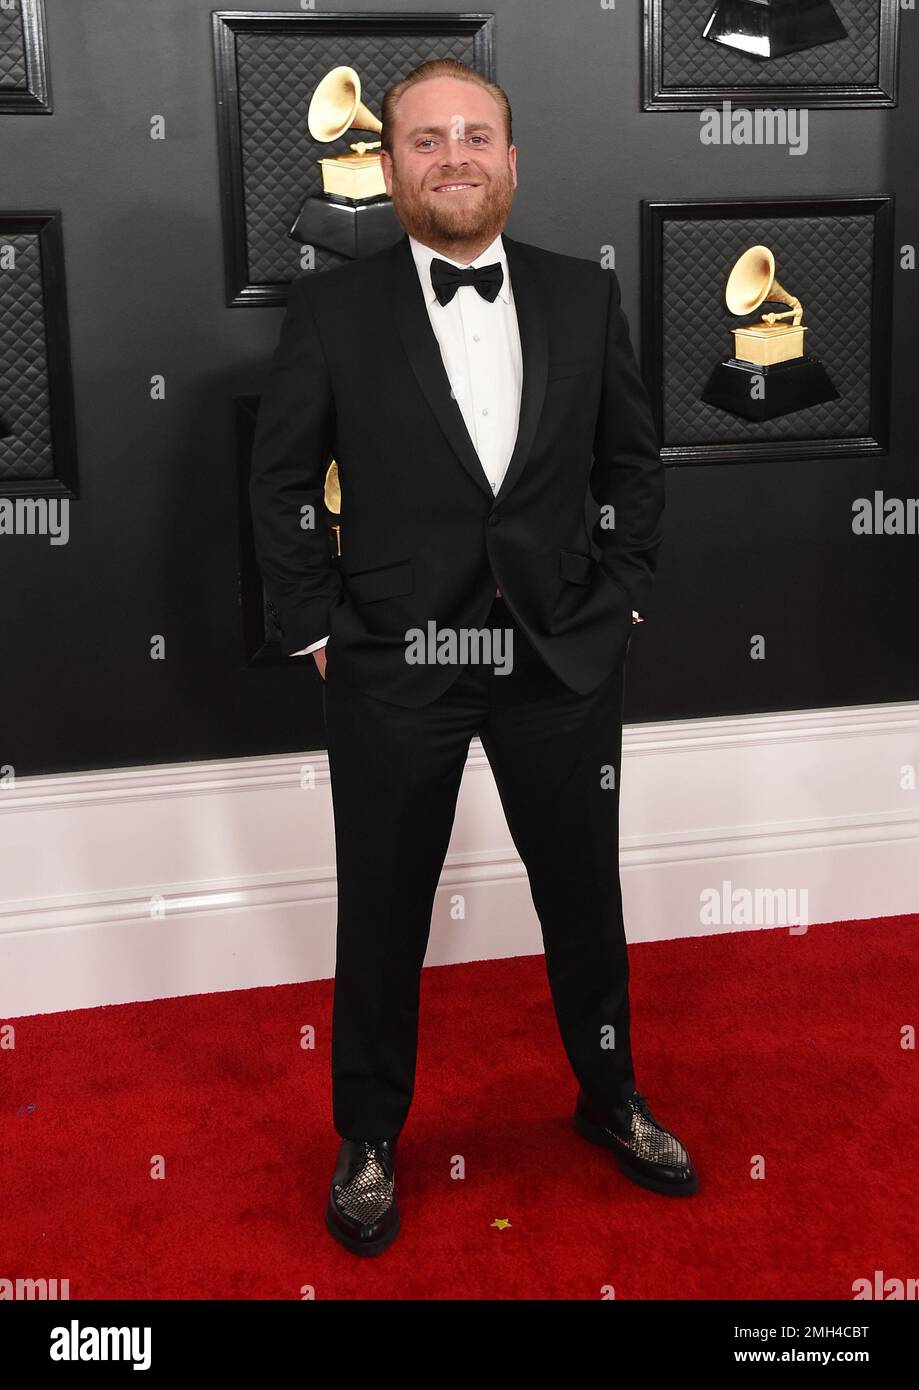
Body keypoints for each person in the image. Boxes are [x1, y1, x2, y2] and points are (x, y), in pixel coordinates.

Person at [249, 58, 697, 1257]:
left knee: (582, 896)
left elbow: (632, 467)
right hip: (397, 661)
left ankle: (609, 1099)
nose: (453, 155)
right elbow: (283, 481)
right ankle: (368, 1135)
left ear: (512, 157)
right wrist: (318, 632)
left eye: (475, 135)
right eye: (426, 139)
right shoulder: (333, 312)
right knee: (383, 908)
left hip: (559, 653)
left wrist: (623, 603)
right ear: (389, 166)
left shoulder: (578, 297)